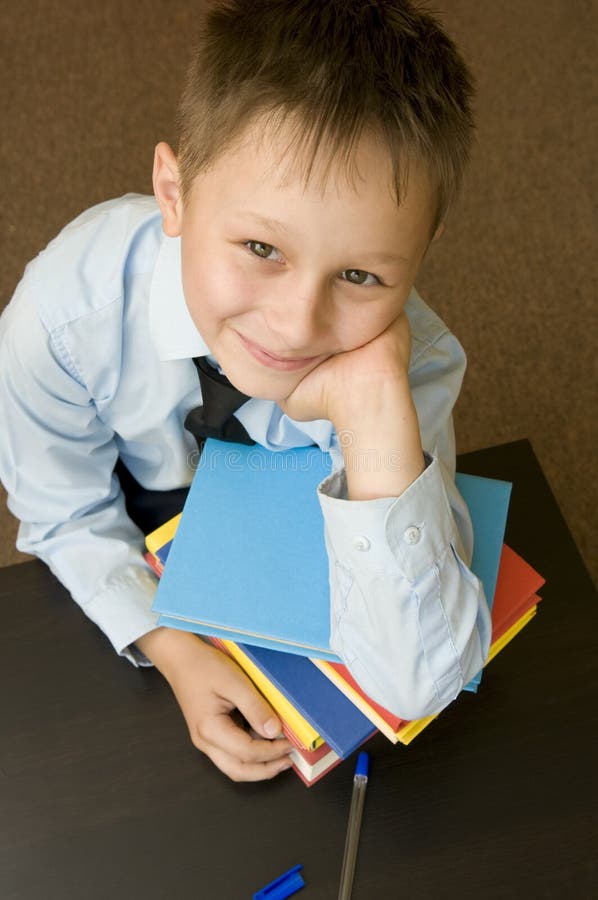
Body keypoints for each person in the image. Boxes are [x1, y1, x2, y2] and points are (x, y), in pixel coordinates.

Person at [0, 0, 492, 781]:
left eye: (361, 275)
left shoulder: (405, 363)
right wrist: (169, 649)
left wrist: (373, 414)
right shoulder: (62, 319)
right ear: (174, 193)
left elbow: (420, 678)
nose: (297, 327)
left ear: (421, 252)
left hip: (303, 530)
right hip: (147, 508)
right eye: (262, 247)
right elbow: (62, 511)